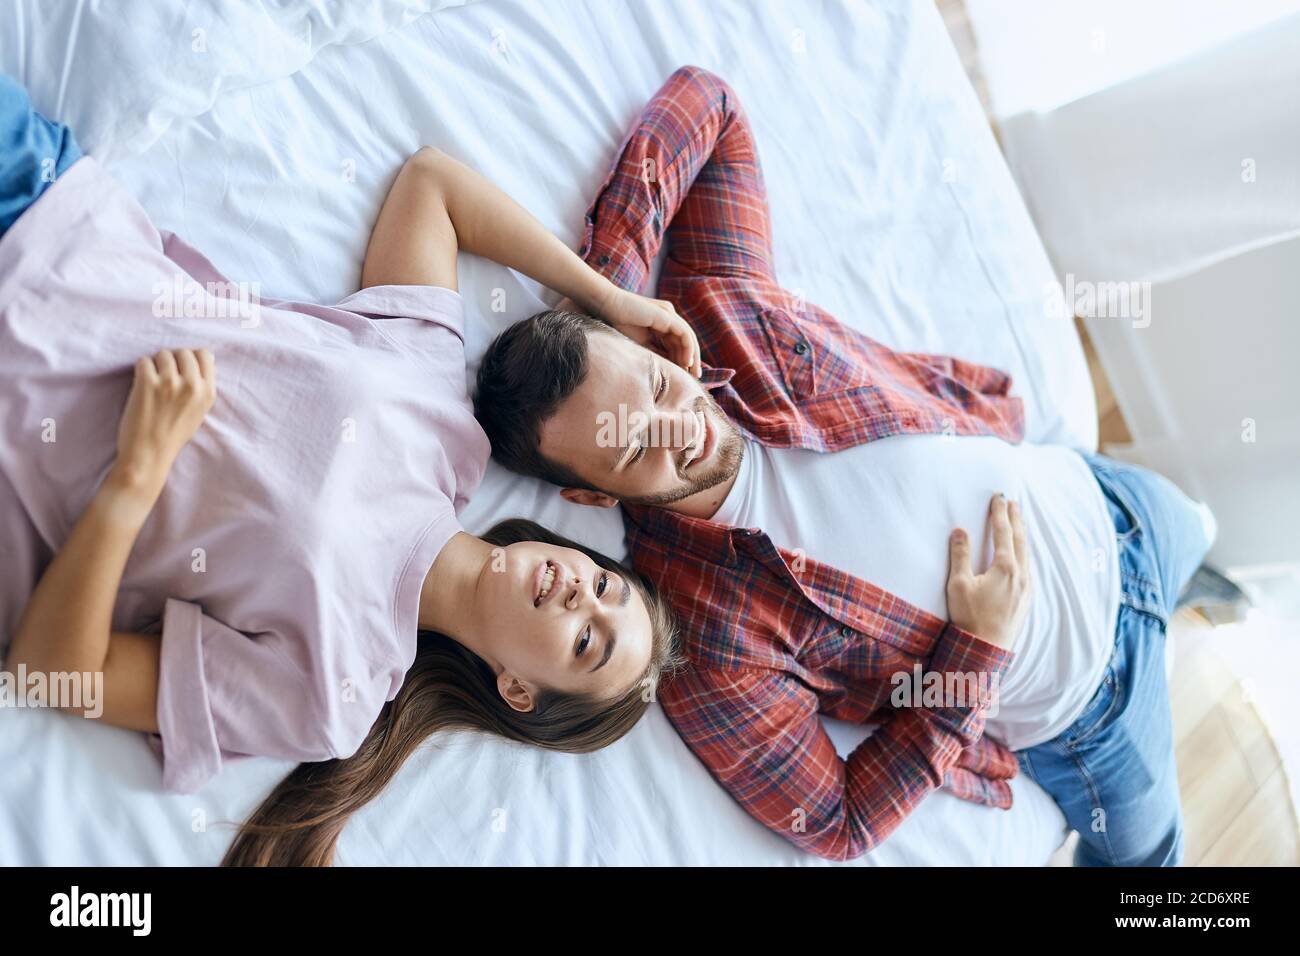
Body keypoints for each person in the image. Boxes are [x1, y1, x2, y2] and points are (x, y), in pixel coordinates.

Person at [474, 66, 1217, 864]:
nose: (677, 429)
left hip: (1110, 503)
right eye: (631, 446)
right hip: (1093, 709)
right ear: (592, 495)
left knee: (1207, 536)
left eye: (656, 388)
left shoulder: (722, 311)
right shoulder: (710, 644)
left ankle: (1210, 589)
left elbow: (711, 104)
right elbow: (834, 821)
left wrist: (603, 295)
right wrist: (977, 653)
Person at [0, 73, 680, 865]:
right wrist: (613, 302)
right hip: (41, 215)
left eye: (586, 642)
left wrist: (136, 478)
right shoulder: (447, 426)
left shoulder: (332, 695)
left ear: (518, 689)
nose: (580, 596)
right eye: (604, 585)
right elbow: (433, 184)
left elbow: (53, 673)